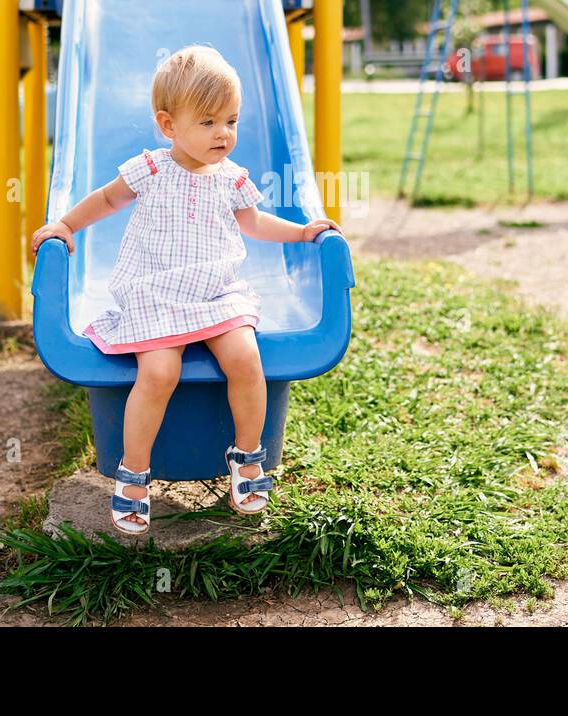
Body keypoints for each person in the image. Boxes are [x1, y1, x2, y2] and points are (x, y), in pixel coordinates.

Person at [30, 45, 340, 535]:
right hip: (157, 291)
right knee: (158, 370)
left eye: (232, 121)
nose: (223, 134)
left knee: (245, 357)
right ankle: (134, 471)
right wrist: (64, 225)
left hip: (216, 290)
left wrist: (302, 231)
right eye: (209, 122)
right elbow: (108, 198)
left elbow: (254, 223)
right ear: (169, 125)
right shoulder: (151, 169)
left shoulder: (233, 178)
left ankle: (247, 454)